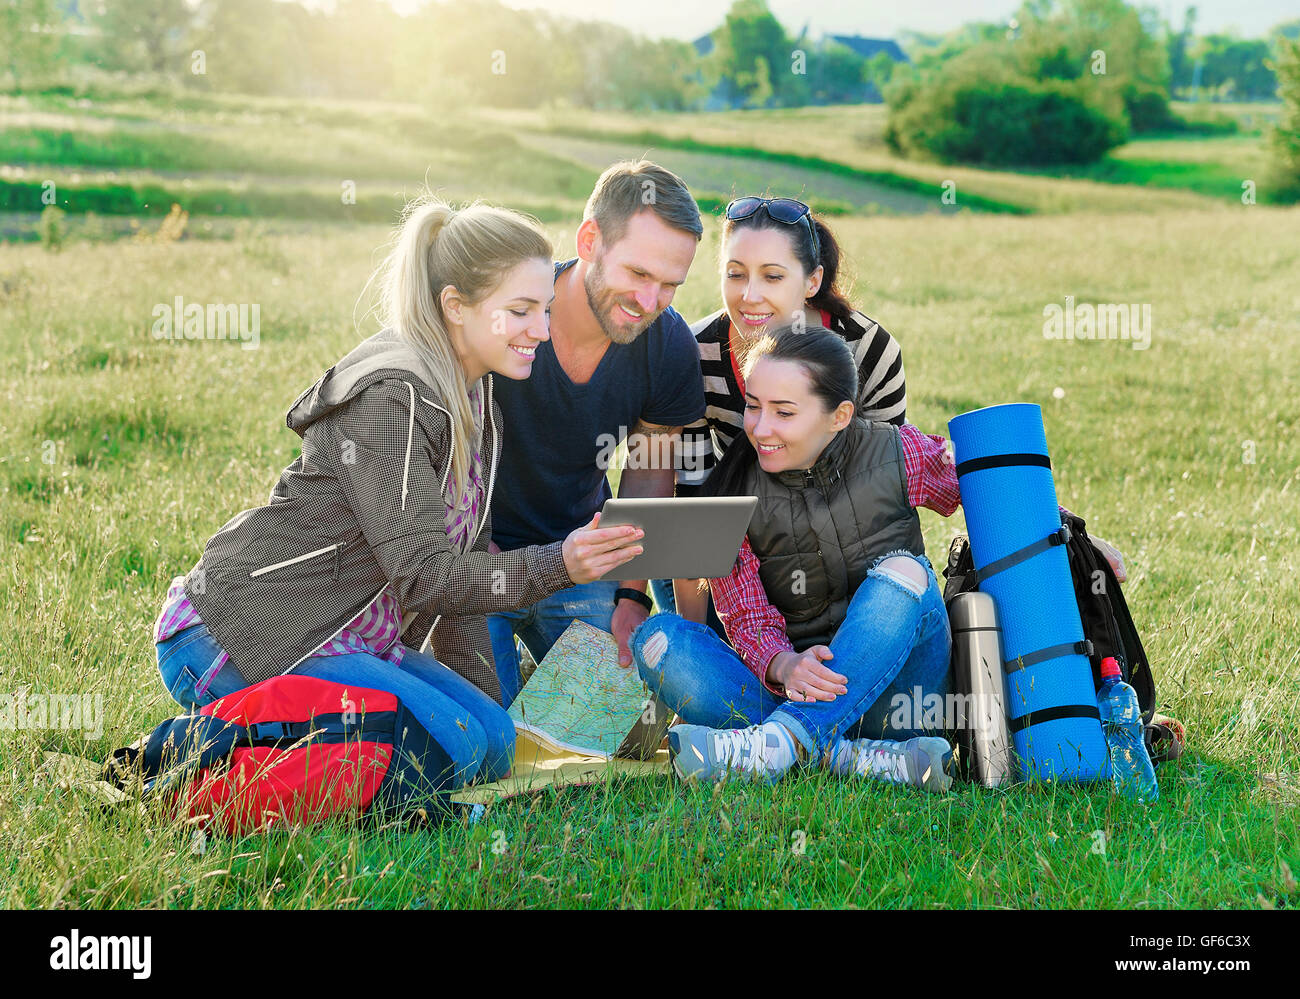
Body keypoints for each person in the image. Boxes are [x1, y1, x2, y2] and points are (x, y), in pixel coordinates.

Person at [152, 197, 645, 790]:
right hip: (247, 631)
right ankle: (189, 758)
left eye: (543, 309)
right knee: (450, 750)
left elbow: (467, 566)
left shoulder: (477, 396)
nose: (540, 331)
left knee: (487, 744)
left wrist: (482, 709)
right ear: (456, 306)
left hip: (351, 637)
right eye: (519, 311)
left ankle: (325, 740)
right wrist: (561, 562)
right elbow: (423, 577)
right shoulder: (393, 398)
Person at [632, 324, 966, 791]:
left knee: (906, 571)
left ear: (839, 415)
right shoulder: (732, 492)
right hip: (793, 686)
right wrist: (783, 665)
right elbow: (747, 619)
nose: (760, 428)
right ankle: (849, 757)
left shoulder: (896, 450)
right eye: (753, 406)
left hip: (896, 697)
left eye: (783, 412)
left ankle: (777, 744)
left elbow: (989, 491)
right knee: (658, 639)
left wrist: (1073, 534)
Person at [485, 161, 707, 708]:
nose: (651, 301)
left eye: (670, 285)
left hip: (580, 557)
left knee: (619, 721)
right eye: (638, 274)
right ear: (590, 241)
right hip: (476, 563)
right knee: (484, 732)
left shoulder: (668, 344)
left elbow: (650, 468)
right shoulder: (508, 316)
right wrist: (469, 561)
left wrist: (633, 595)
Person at [656, 197, 908, 631]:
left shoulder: (868, 350)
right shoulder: (693, 354)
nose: (749, 296)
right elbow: (694, 504)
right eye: (735, 274)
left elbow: (883, 489)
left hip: (844, 551)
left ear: (812, 281)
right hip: (731, 552)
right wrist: (696, 639)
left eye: (773, 276)